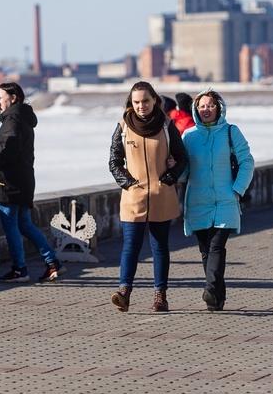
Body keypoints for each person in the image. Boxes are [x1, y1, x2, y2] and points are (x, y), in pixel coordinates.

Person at [108, 81, 188, 313]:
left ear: (154, 101)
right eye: (136, 102)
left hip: (161, 194)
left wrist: (169, 179)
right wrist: (129, 184)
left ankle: (160, 296)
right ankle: (124, 292)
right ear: (130, 104)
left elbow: (182, 158)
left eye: (145, 101)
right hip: (133, 197)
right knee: (131, 245)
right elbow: (114, 162)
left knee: (159, 247)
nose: (141, 106)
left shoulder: (166, 126)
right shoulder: (123, 127)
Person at [182, 89, 254, 311]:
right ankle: (217, 297)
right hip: (198, 201)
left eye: (211, 105)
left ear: (219, 108)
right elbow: (185, 172)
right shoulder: (189, 136)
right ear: (196, 109)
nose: (206, 110)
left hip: (225, 200)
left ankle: (210, 289)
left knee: (216, 245)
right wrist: (172, 165)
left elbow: (247, 162)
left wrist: (237, 190)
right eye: (202, 106)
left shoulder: (231, 132)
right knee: (206, 250)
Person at [0, 82, 66, 283]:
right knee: (25, 224)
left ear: (13, 98)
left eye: (1, 96)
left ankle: (19, 269)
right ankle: (53, 263)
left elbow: (11, 143)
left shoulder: (12, 119)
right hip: (23, 179)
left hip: (9, 182)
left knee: (11, 226)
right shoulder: (22, 117)